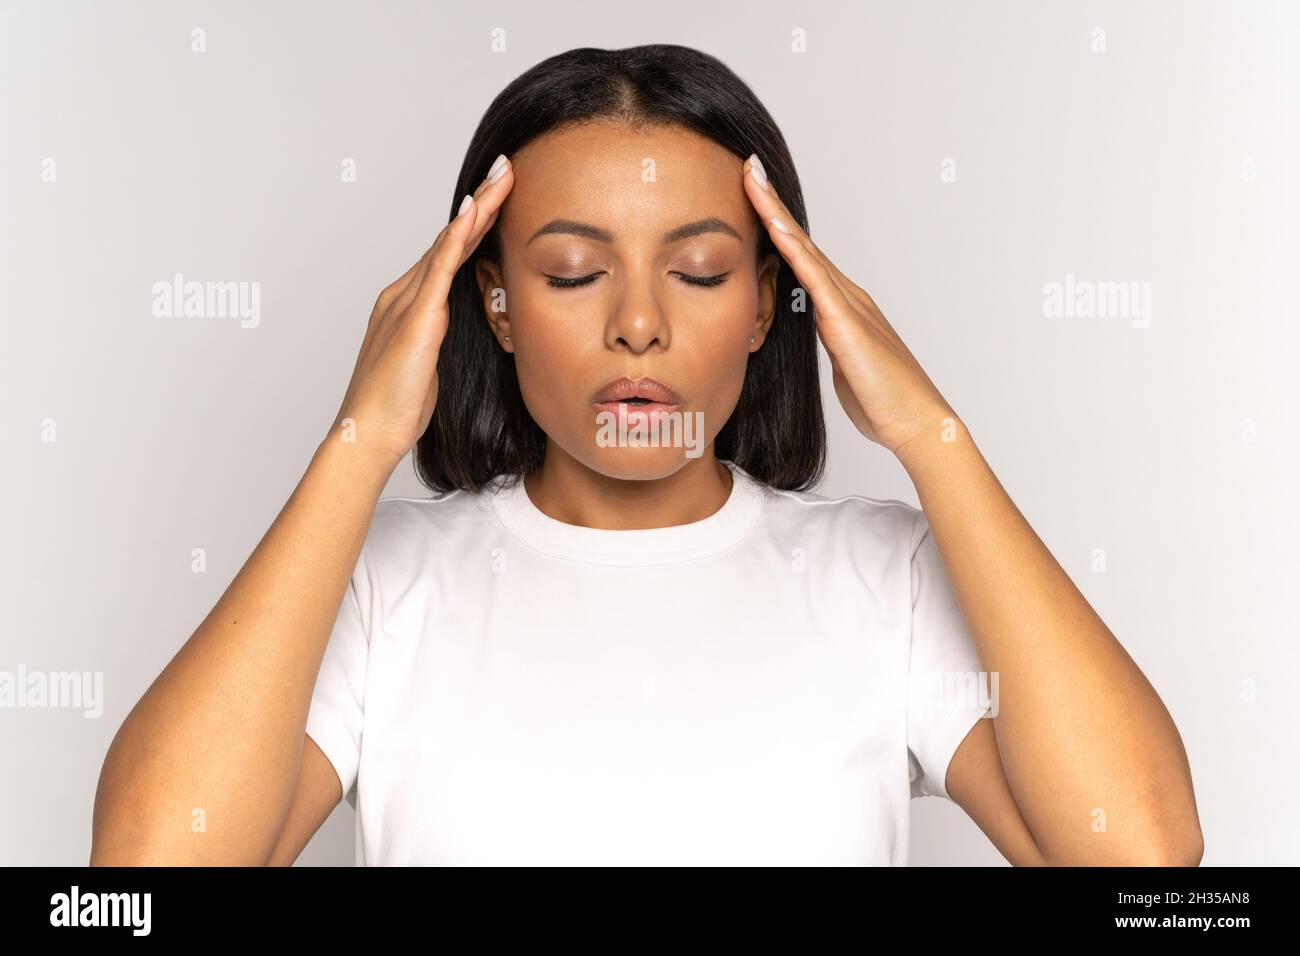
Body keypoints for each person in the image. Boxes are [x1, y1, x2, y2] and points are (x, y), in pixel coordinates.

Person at [91, 44, 1202, 866]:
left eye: (703, 272)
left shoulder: (885, 578)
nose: (636, 325)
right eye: (573, 271)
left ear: (772, 305)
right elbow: (141, 878)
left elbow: (1144, 860)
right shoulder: (382, 583)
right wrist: (359, 439)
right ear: (495, 304)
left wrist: (931, 435)